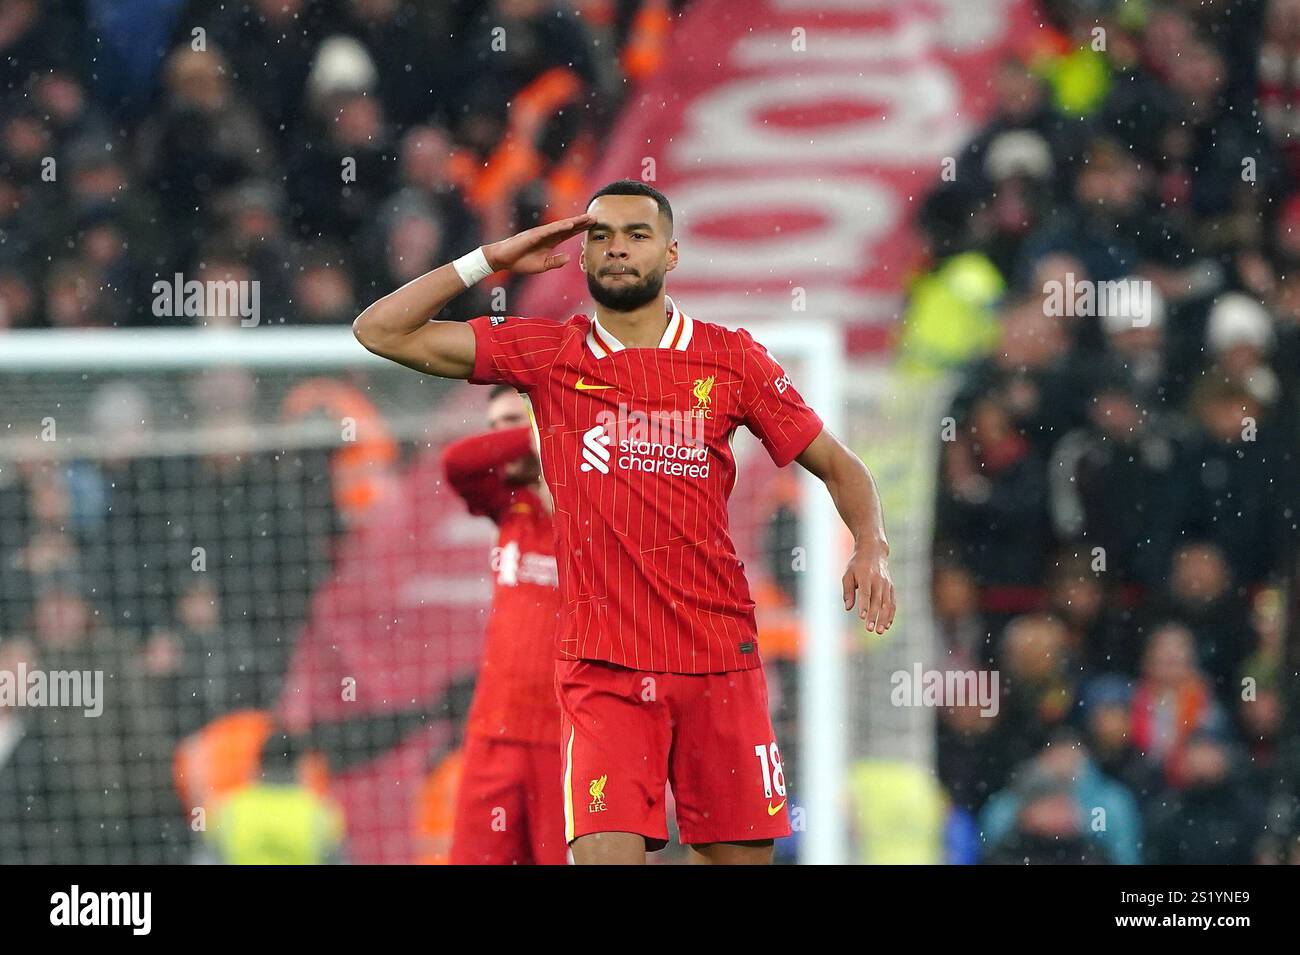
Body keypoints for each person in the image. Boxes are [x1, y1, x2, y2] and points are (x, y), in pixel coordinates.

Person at [353, 179, 895, 865]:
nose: (616, 248)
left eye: (636, 234)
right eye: (600, 236)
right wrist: (490, 258)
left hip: (718, 663)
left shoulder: (731, 359)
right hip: (604, 671)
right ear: (579, 257)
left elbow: (842, 466)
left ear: (671, 254)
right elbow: (379, 329)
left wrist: (871, 546)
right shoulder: (548, 354)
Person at [443, 385, 566, 865]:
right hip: (494, 730)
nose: (500, 437)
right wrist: (532, 436)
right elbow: (457, 462)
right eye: (493, 426)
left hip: (567, 738)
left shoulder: (594, 504)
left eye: (513, 420)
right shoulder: (503, 501)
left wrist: (552, 439)